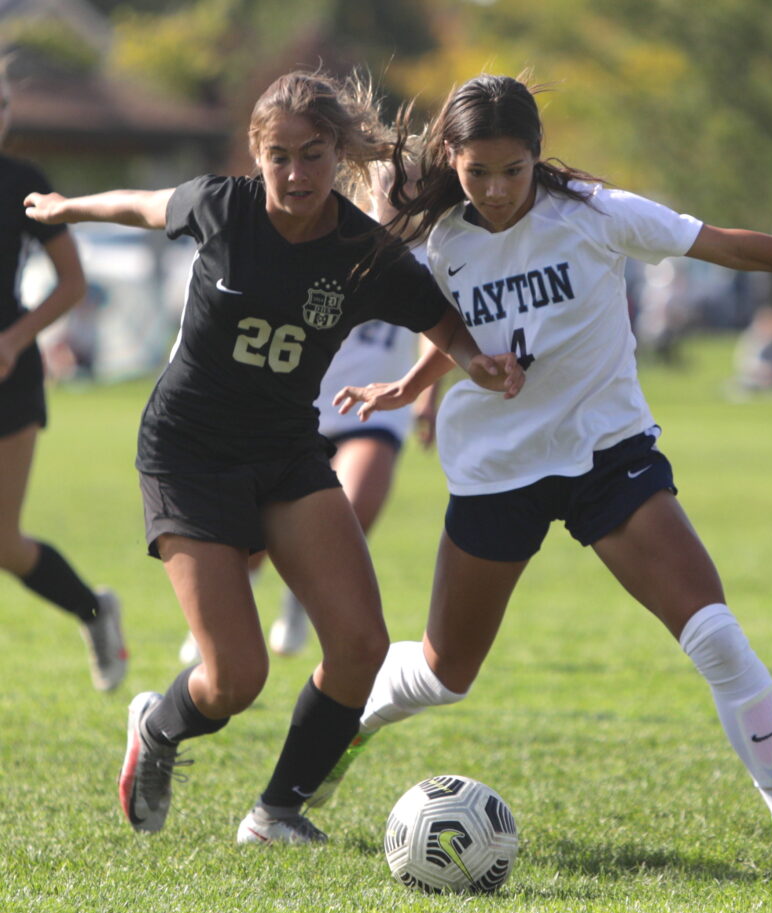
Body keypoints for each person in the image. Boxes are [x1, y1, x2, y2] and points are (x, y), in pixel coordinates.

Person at [325, 73, 772, 872]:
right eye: (476, 171)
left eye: (511, 170)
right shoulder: (440, 233)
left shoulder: (595, 217)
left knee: (715, 634)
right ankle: (342, 727)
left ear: (537, 158)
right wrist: (416, 386)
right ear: (451, 159)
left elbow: (726, 243)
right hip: (498, 468)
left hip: (606, 455)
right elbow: (453, 321)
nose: (493, 189)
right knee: (446, 675)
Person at [25, 68, 523, 844]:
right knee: (233, 680)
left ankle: (275, 812)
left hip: (286, 450)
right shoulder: (222, 208)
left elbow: (443, 323)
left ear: (338, 156)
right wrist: (68, 209)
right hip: (188, 452)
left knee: (359, 646)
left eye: (314, 155)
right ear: (256, 155)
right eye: (279, 156)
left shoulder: (366, 255)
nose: (296, 174)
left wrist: (475, 362)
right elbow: (144, 207)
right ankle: (157, 728)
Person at [176, 152, 439, 665]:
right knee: (256, 537)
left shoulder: (425, 256)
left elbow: (440, 328)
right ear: (366, 189)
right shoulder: (330, 237)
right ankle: (222, 620)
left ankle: (300, 598)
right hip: (300, 406)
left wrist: (426, 394)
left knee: (355, 504)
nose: (402, 201)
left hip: (373, 410)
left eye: (412, 192)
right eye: (392, 189)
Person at [0, 63, 126, 692]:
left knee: (2, 540)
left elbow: (72, 283)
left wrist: (16, 339)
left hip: (9, 376)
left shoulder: (24, 183)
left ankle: (94, 611)